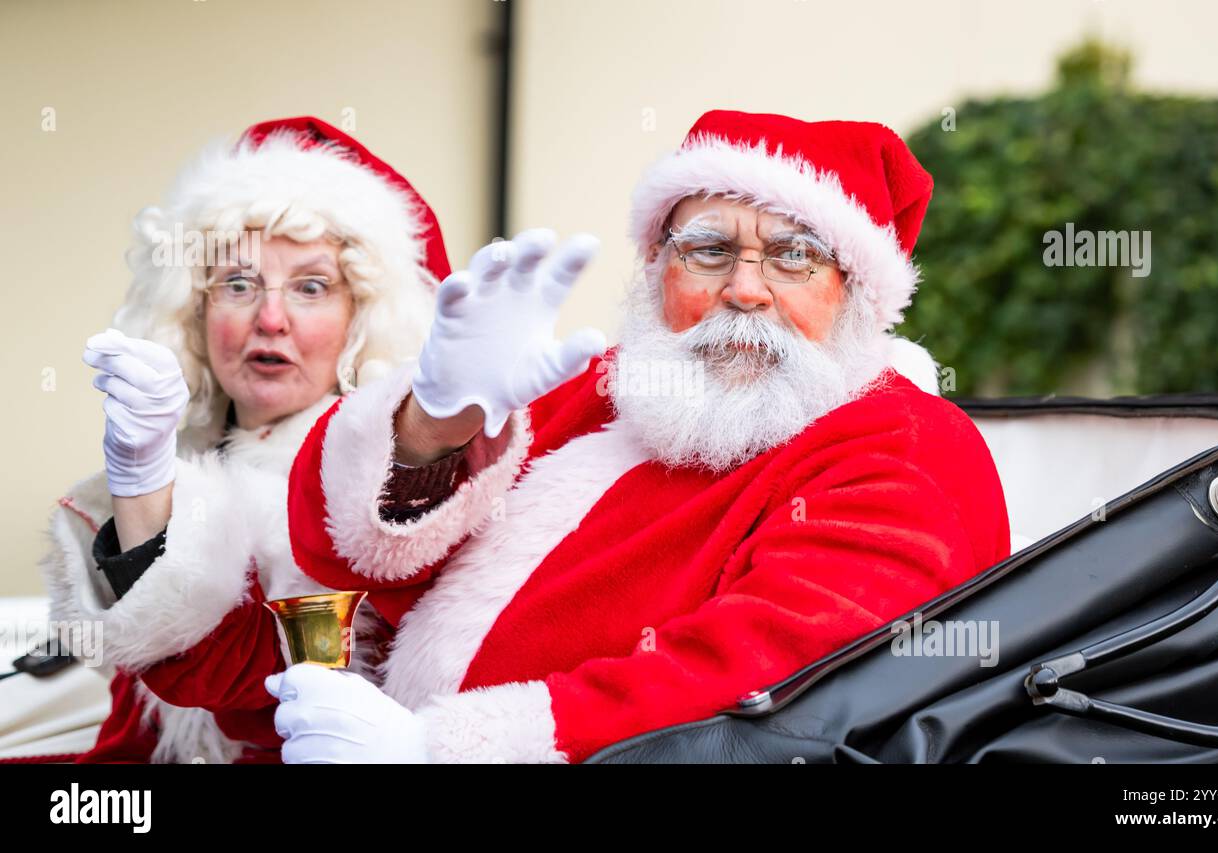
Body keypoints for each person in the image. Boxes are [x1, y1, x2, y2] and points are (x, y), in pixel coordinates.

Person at [269, 109, 1014, 764]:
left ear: (854, 291)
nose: (745, 290)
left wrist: (443, 747)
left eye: (794, 256)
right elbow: (337, 557)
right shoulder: (603, 388)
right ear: (658, 269)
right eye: (709, 251)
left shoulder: (908, 441)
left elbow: (786, 683)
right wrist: (436, 420)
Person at [37, 116, 466, 763]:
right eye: (238, 284)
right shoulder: (181, 450)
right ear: (194, 308)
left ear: (364, 318)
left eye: (311, 287)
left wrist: (147, 497)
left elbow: (272, 702)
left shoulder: (393, 490)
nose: (270, 318)